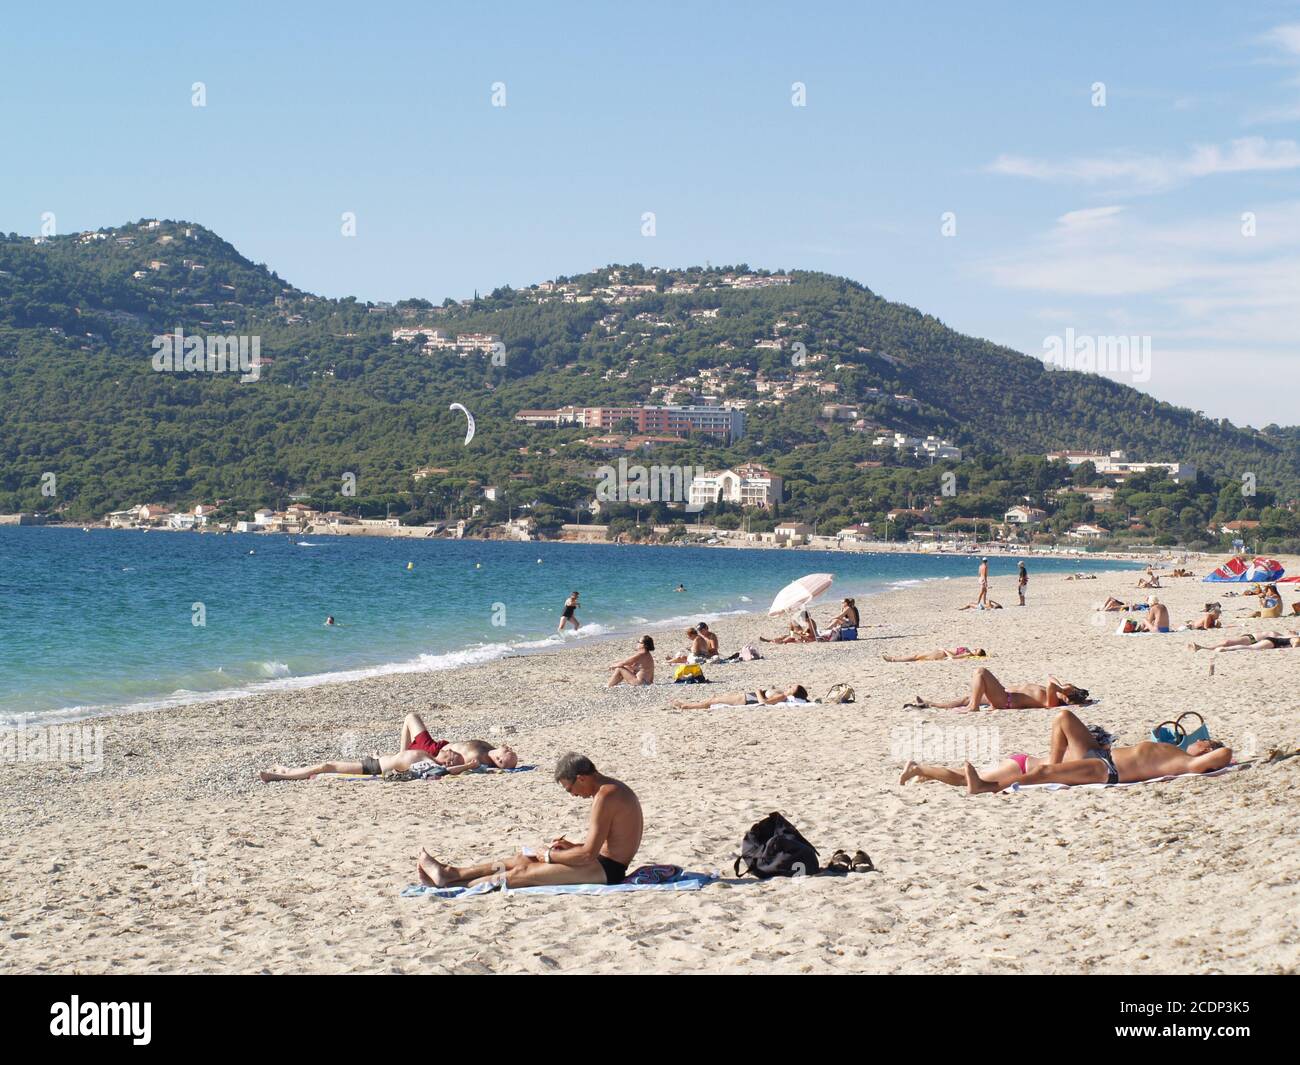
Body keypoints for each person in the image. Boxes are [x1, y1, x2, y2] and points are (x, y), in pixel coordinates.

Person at [416, 752, 643, 889]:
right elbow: (602, 845)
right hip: (600, 860)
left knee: (520, 874)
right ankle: (450, 872)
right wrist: (570, 847)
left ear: (581, 778)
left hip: (607, 871)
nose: (572, 795)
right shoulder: (606, 791)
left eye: (570, 789)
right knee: (521, 859)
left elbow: (588, 855)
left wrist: (549, 856)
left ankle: (453, 886)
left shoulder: (606, 796)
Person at [962, 712, 1233, 793]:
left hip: (1107, 770)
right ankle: (1056, 773)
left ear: (1206, 749)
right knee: (1064, 718)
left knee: (1042, 770)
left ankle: (987, 787)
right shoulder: (1176, 752)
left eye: (1203, 743)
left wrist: (1214, 752)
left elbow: (1224, 755)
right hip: (1101, 755)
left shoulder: (1187, 763)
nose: (1197, 741)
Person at [259, 712, 518, 781]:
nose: (451, 756)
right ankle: (286, 770)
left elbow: (453, 771)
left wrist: (464, 767)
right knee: (326, 765)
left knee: (327, 766)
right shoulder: (432, 757)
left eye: (501, 766)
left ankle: (279, 775)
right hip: (391, 760)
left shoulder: (431, 767)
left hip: (376, 767)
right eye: (503, 758)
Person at [900, 708, 1114, 789]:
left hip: (1022, 763)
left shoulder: (1077, 753)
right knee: (964, 780)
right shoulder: (1083, 756)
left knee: (964, 776)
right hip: (1020, 768)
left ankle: (930, 774)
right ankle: (919, 769)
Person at [907, 667, 1090, 713]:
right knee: (967, 697)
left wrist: (1064, 690)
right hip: (1004, 694)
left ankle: (974, 708)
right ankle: (931, 704)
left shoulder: (1052, 701)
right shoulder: (1054, 692)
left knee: (981, 672)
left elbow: (1051, 683)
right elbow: (1051, 677)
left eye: (1067, 690)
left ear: (1066, 696)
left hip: (1005, 700)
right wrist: (1065, 688)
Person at [672, 684, 808, 709]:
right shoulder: (783, 695)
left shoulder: (783, 697)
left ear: (792, 694)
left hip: (747, 700)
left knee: (713, 701)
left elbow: (764, 703)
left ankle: (685, 706)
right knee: (714, 699)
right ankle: (687, 704)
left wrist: (758, 691)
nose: (789, 686)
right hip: (747, 698)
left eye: (791, 688)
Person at [884, 646, 988, 662]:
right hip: (941, 653)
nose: (974, 650)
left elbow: (953, 657)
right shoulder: (968, 651)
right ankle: (894, 658)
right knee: (917, 655)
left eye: (976, 651)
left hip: (941, 654)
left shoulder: (967, 654)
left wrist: (945, 649)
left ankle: (894, 659)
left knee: (916, 657)